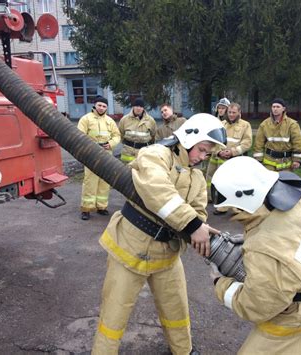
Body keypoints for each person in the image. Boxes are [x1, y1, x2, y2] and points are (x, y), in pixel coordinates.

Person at [92, 114, 227, 355]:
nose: (203, 157)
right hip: (129, 249)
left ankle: (183, 351)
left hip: (168, 255)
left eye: (207, 154)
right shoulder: (155, 155)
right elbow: (157, 190)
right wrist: (193, 225)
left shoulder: (195, 176)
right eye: (202, 150)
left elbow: (199, 211)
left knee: (177, 310)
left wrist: (198, 228)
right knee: (114, 313)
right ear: (189, 138)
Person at [210, 156, 301, 354]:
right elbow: (292, 239)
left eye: (232, 208)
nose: (231, 213)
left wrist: (221, 284)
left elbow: (257, 306)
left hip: (294, 317)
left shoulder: (263, 246)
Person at [77, 96, 121, 220]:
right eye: (100, 105)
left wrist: (111, 144)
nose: (101, 108)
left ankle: (101, 207)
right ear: (95, 105)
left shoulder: (110, 121)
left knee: (104, 182)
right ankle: (86, 208)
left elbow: (117, 135)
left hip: (106, 155)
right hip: (91, 155)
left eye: (104, 106)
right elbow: (80, 136)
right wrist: (91, 147)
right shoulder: (86, 119)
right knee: (90, 182)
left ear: (106, 107)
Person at [205, 102, 252, 213]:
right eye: (229, 112)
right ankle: (219, 203)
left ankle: (235, 206)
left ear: (239, 112)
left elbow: (247, 142)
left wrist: (232, 152)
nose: (231, 115)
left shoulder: (245, 125)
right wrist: (218, 152)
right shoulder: (221, 124)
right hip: (218, 159)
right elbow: (214, 141)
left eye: (234, 112)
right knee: (218, 182)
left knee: (234, 183)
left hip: (235, 160)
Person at [253, 98, 301, 171]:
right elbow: (258, 144)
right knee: (270, 182)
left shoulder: (292, 124)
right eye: (273, 107)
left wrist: (296, 160)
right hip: (269, 163)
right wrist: (258, 160)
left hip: (286, 163)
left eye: (278, 107)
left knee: (285, 182)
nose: (275, 109)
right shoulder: (264, 124)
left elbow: (298, 143)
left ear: (283, 109)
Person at [118, 97, 157, 164]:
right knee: (126, 172)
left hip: (143, 152)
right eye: (136, 106)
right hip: (127, 152)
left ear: (143, 108)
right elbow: (120, 134)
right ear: (133, 107)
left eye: (141, 106)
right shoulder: (124, 120)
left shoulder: (150, 121)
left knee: (142, 172)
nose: (138, 108)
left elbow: (153, 136)